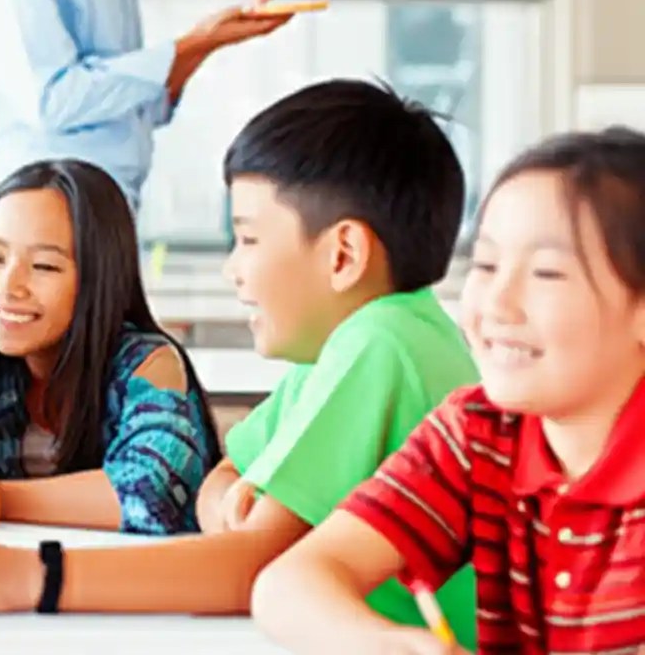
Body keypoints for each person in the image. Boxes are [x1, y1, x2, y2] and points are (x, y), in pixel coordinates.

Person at [0, 82, 475, 639]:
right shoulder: (339, 353)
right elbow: (224, 475)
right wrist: (228, 501)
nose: (232, 268)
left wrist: (24, 576)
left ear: (342, 255)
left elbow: (253, 569)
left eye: (249, 238)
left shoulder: (379, 342)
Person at [253, 127, 645, 655]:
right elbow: (288, 584)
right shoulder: (479, 431)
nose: (497, 304)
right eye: (485, 265)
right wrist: (397, 647)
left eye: (548, 273)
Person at [0, 159, 216, 536]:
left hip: (122, 588)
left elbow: (147, 497)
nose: (8, 286)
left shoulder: (147, 363)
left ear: (100, 278)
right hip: (2, 585)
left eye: (44, 266)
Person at [0, 0, 293, 211]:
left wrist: (206, 44)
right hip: (41, 208)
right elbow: (52, 101)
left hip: (108, 206)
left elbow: (140, 106)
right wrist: (192, 44)